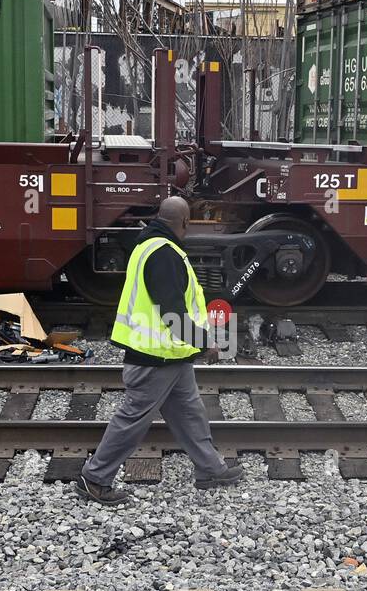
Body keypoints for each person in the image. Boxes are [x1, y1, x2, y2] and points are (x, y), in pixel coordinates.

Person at [76, 196, 244, 504]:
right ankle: (95, 478)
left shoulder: (149, 246)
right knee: (133, 419)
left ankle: (210, 469)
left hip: (171, 355)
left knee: (189, 413)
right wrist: (205, 342)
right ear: (185, 222)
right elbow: (172, 312)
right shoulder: (164, 254)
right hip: (154, 357)